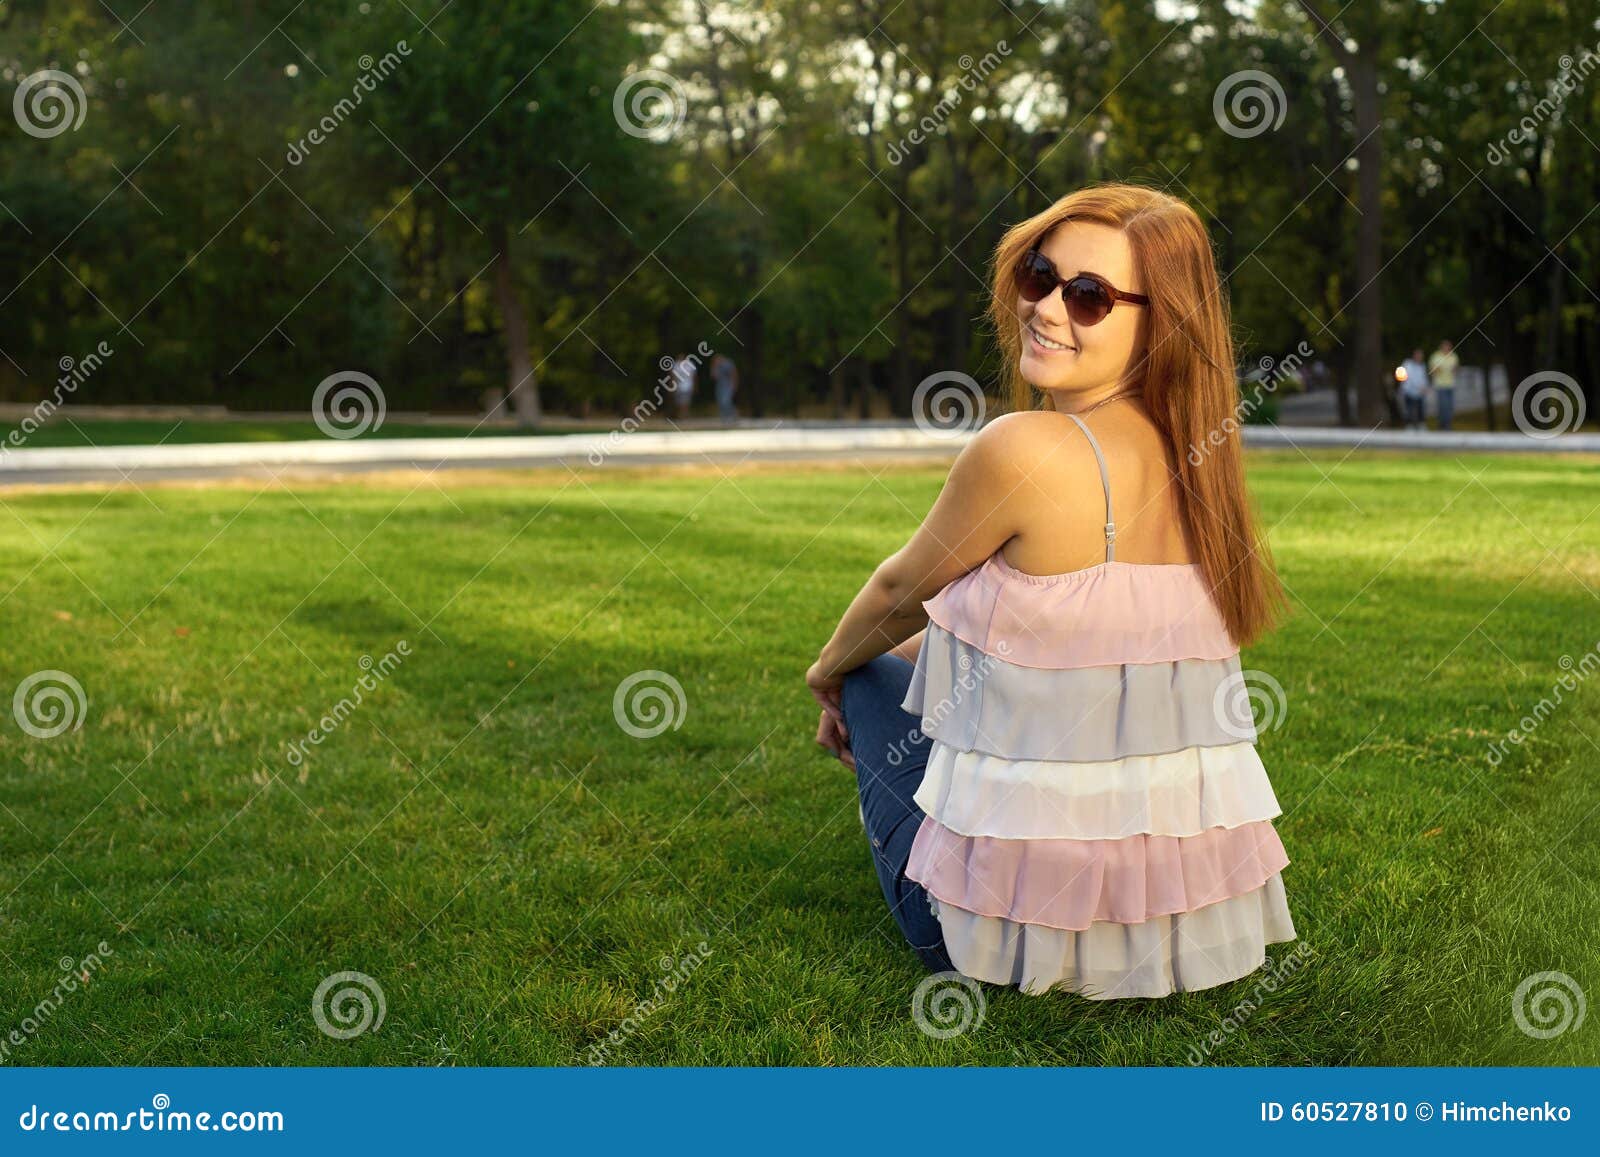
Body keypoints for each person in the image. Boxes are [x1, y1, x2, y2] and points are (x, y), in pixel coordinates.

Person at [804, 182, 1297, 999]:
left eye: (1091, 296)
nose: (1046, 308)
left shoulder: (1020, 448)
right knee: (908, 658)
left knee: (868, 669)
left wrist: (827, 674)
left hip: (997, 947)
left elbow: (897, 589)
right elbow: (1044, 634)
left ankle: (932, 853)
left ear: (1160, 321)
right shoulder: (1201, 469)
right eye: (1040, 274)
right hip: (1184, 934)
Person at [1428, 340, 1459, 430]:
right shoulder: (1435, 356)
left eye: (1448, 346)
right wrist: (1437, 369)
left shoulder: (1453, 356)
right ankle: (1443, 426)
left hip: (1451, 385)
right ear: (1441, 347)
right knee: (1443, 406)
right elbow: (1431, 370)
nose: (1447, 348)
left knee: (1450, 407)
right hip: (1440, 386)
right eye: (1445, 346)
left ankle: (1446, 426)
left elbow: (1456, 368)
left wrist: (1455, 369)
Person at [1398, 348, 1430, 432]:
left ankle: (1421, 426)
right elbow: (1409, 378)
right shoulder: (1407, 364)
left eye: (1421, 355)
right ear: (1414, 355)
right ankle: (1409, 427)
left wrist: (1425, 387)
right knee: (1409, 410)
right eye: (1418, 355)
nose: (1419, 357)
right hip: (1409, 391)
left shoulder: (1422, 365)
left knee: (1421, 409)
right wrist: (1419, 387)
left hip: (1419, 393)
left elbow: (1424, 378)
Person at [711, 353, 739, 422]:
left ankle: (733, 415)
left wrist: (734, 385)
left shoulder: (728, 363)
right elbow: (714, 377)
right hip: (719, 386)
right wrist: (714, 366)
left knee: (726, 401)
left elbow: (734, 374)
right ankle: (724, 418)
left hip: (728, 385)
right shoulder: (716, 366)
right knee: (720, 402)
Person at [669, 352, 696, 419]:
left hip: (688, 386)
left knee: (686, 401)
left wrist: (695, 386)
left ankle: (684, 415)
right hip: (679, 386)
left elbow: (694, 376)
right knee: (679, 402)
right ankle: (682, 414)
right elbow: (673, 377)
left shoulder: (689, 364)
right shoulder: (676, 365)